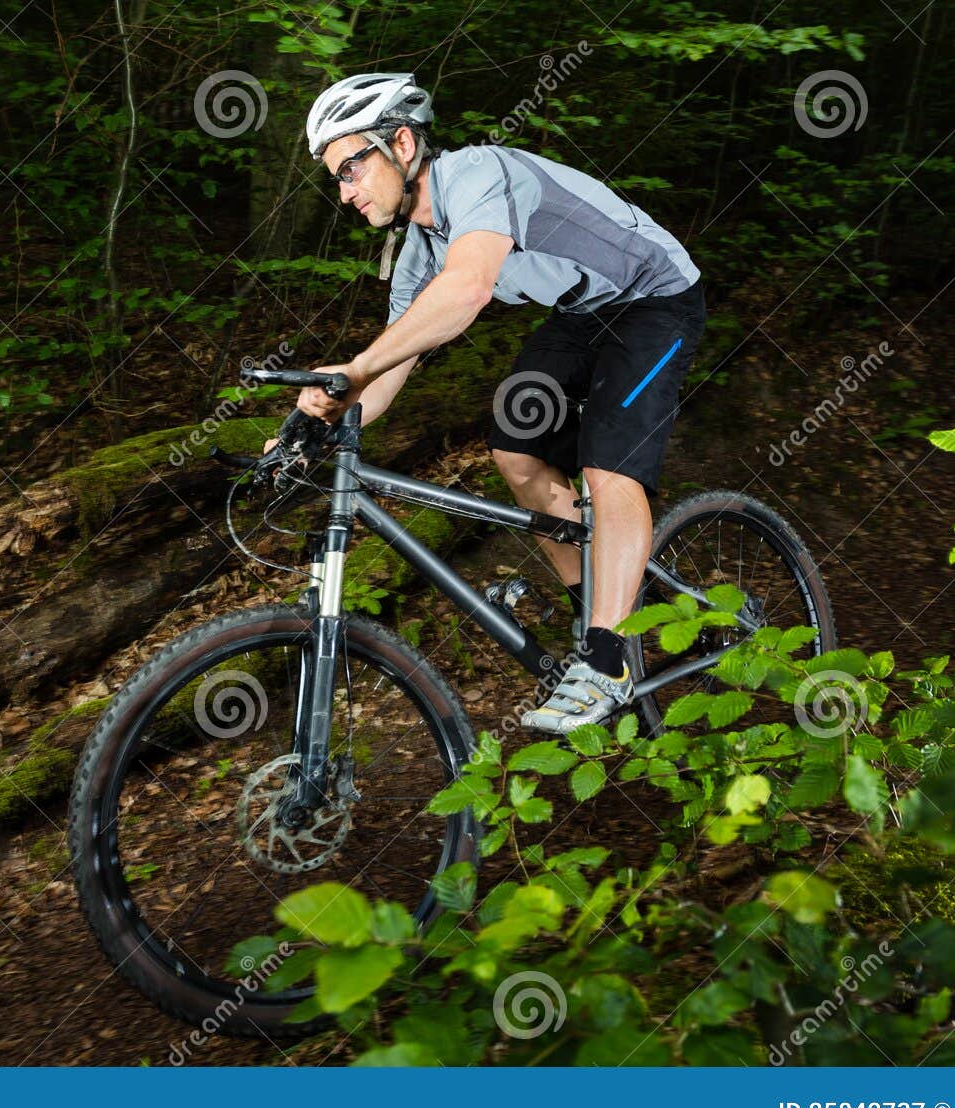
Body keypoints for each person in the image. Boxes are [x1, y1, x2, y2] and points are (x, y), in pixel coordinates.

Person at [287, 72, 706, 734]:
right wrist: (310, 428)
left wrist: (355, 367)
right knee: (515, 450)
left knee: (607, 463)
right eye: (337, 179)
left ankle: (608, 660)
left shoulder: (477, 174)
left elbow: (470, 288)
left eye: (351, 169)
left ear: (401, 143)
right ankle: (596, 611)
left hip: (656, 297)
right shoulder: (417, 248)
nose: (346, 193)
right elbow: (393, 363)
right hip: (581, 313)